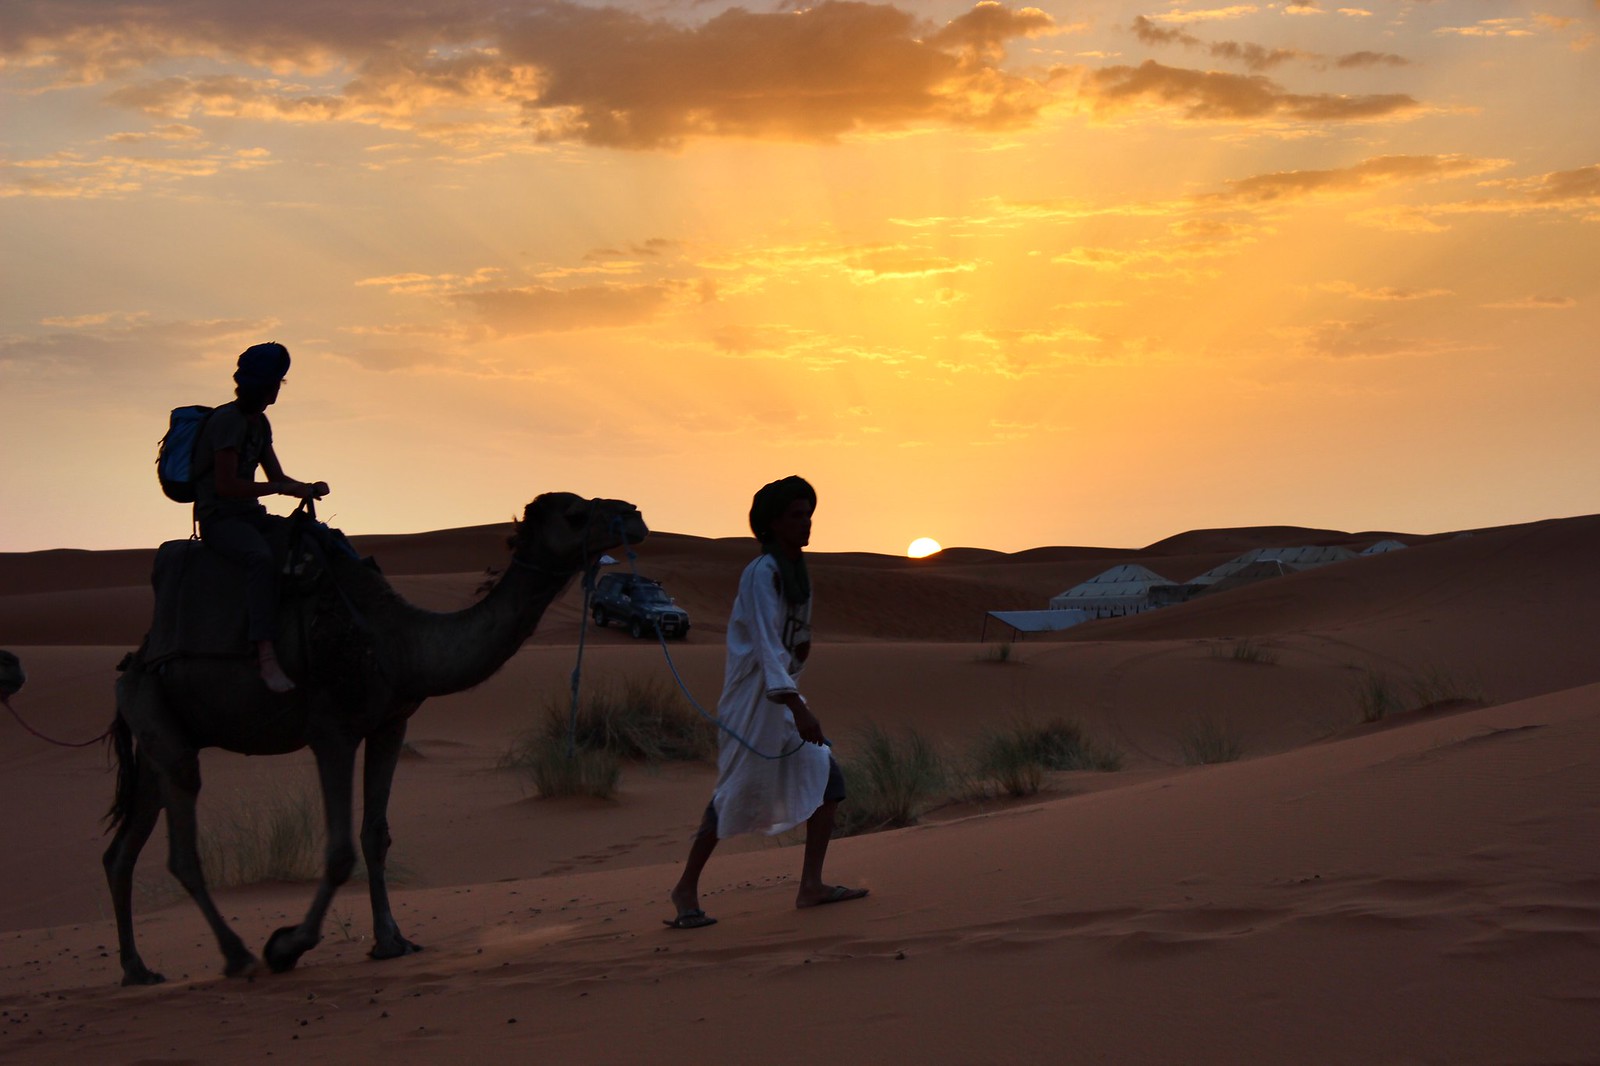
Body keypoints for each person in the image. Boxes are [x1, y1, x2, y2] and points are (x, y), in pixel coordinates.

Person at [666, 476, 868, 929]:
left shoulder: (795, 570)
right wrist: (797, 708)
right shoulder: (762, 573)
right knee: (734, 791)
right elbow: (764, 644)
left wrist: (794, 700)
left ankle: (811, 886)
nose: (806, 524)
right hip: (756, 700)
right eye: (796, 516)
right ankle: (684, 889)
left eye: (808, 514)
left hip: (784, 696)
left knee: (829, 785)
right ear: (773, 523)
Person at [192, 342, 328, 694]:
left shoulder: (259, 423)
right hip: (221, 521)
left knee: (313, 539)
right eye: (273, 384)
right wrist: (281, 489)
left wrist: (306, 488)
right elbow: (226, 486)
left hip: (250, 515)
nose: (275, 391)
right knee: (259, 559)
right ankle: (264, 653)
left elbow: (276, 477)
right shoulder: (226, 422)